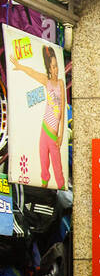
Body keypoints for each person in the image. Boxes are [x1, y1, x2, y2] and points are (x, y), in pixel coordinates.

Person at [10, 45, 65, 189]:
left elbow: (62, 112)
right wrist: (20, 66)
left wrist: (61, 135)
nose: (55, 69)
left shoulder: (60, 83)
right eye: (52, 67)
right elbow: (33, 72)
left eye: (56, 66)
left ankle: (60, 185)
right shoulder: (46, 81)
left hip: (53, 133)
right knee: (43, 159)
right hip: (44, 127)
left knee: (57, 164)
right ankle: (44, 184)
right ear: (49, 68)